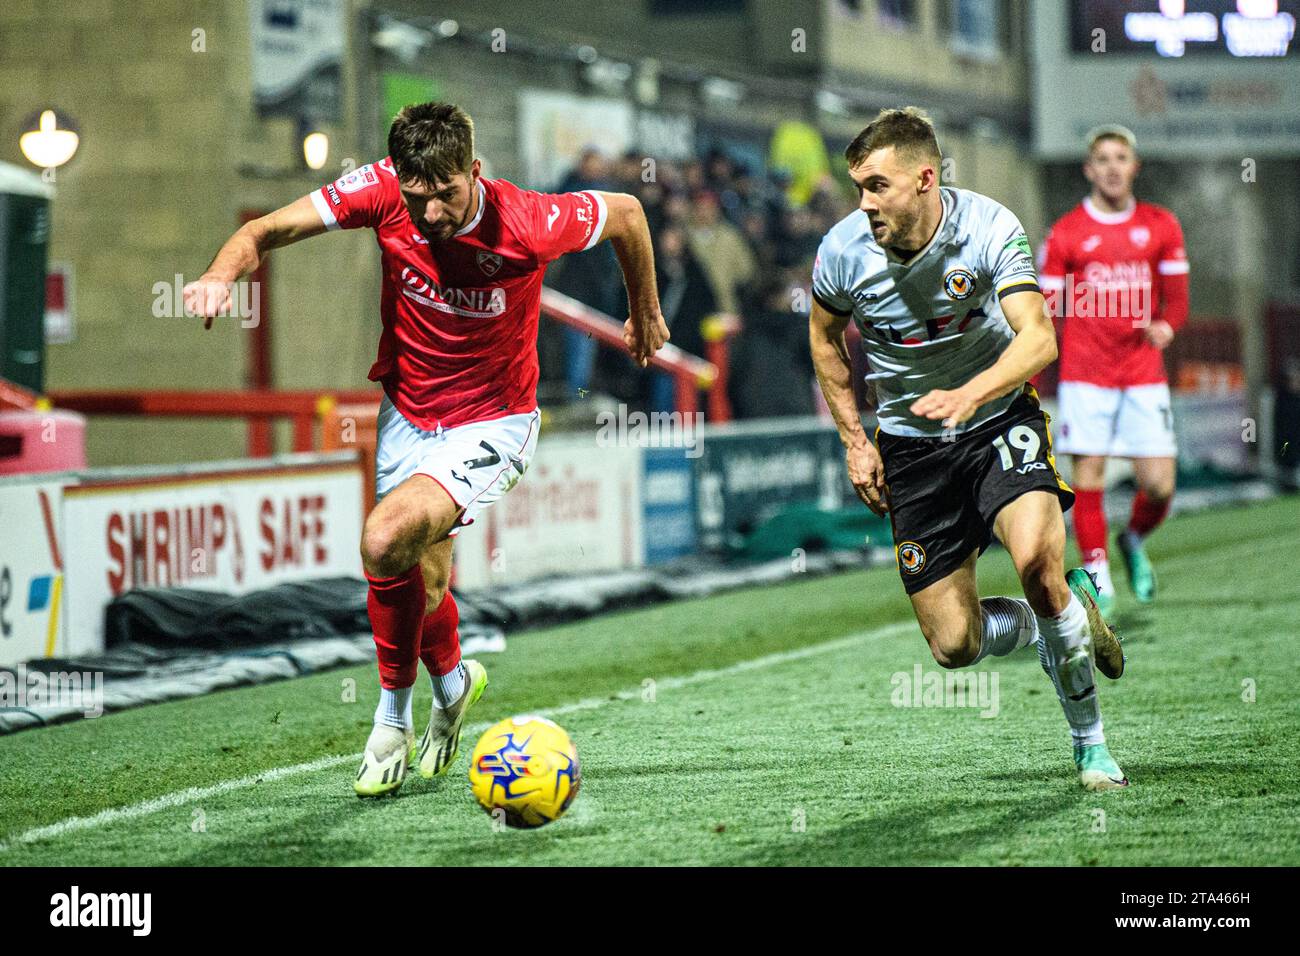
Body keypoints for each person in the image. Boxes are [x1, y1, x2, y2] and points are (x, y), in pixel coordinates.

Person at [183, 103, 668, 797]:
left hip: (493, 423)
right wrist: (218, 275)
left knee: (383, 541)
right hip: (408, 415)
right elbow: (263, 229)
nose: (433, 211)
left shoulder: (527, 220)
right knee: (427, 582)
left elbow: (625, 213)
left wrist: (644, 308)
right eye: (419, 196)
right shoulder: (379, 190)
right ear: (398, 180)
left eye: (447, 192)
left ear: (473, 171)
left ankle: (390, 721)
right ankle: (454, 684)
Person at [809, 107, 1129, 791]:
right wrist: (854, 441)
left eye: (877, 185)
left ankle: (1091, 745)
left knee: (1037, 567)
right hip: (911, 449)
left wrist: (970, 394)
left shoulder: (989, 227)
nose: (864, 203)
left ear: (925, 179)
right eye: (858, 187)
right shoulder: (841, 251)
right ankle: (1064, 617)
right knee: (954, 646)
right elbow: (823, 338)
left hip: (997, 423)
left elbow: (1039, 338)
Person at [1038, 125, 1189, 616]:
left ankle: (1133, 538)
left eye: (1120, 157)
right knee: (1090, 474)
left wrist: (1167, 325)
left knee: (1160, 486)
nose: (1111, 166)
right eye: (1102, 158)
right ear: (1089, 169)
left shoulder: (1161, 225)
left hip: (1143, 372)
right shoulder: (1066, 232)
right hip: (1086, 372)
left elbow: (1177, 303)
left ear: (1134, 166)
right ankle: (1099, 577)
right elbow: (1045, 305)